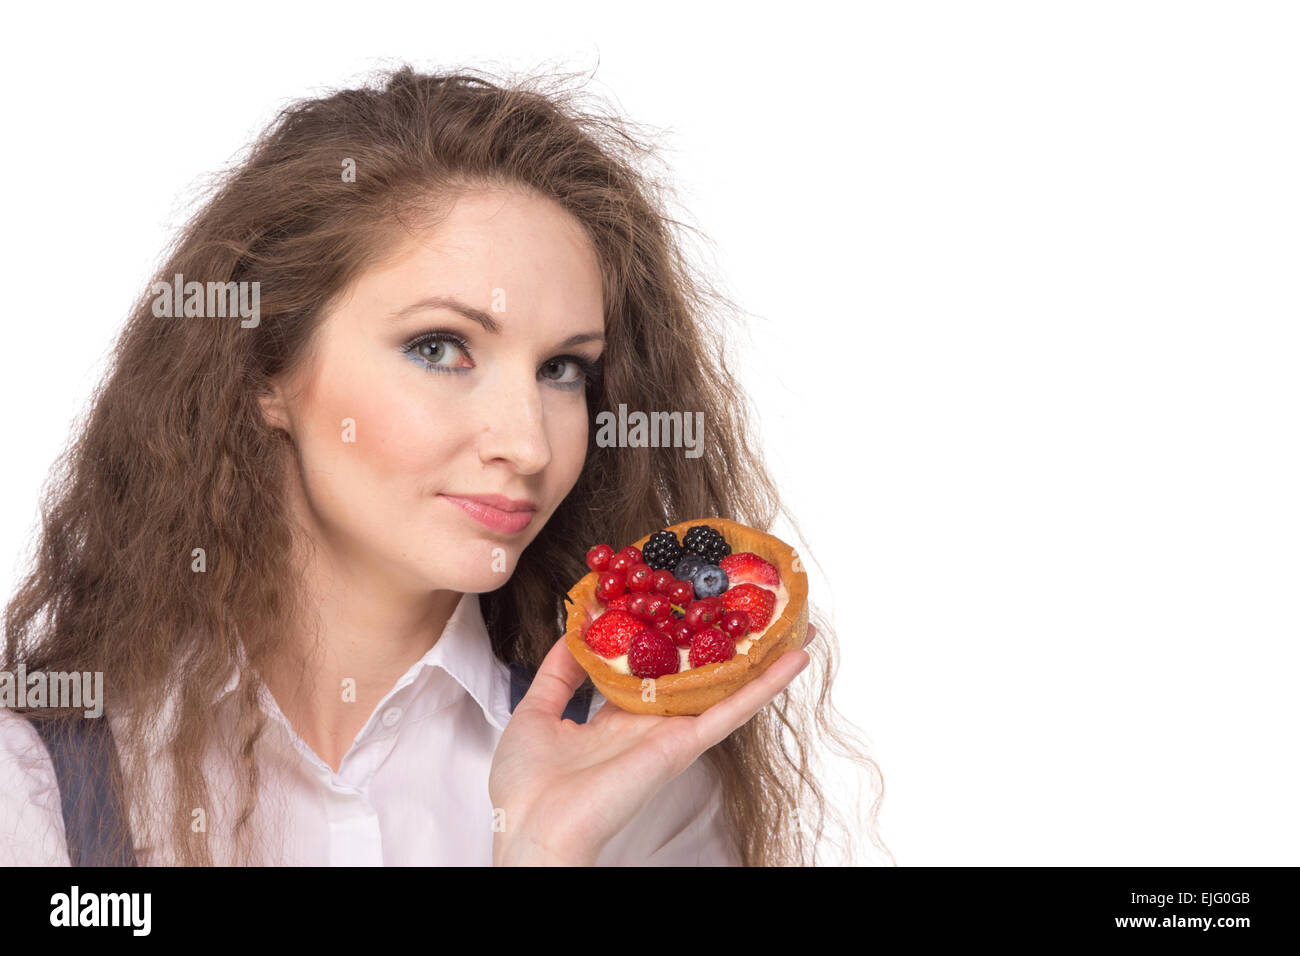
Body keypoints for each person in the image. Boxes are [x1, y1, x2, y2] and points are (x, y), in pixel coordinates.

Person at [0, 66, 889, 866]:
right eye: (439, 347)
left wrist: (542, 855)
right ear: (267, 368)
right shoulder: (35, 787)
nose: (530, 444)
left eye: (563, 369)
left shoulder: (640, 787)